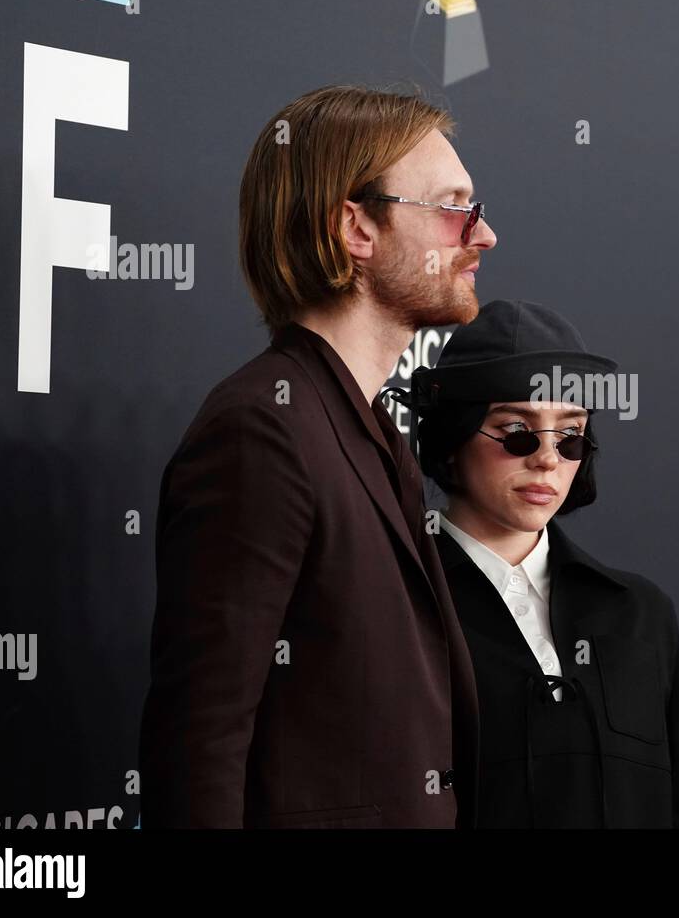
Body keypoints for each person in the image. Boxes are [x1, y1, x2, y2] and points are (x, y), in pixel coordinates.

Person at [138, 85, 496, 827]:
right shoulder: (261, 430)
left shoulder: (366, 431)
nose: (483, 236)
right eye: (454, 207)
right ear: (356, 228)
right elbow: (199, 743)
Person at [389, 299, 679, 827]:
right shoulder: (400, 607)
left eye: (570, 436)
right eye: (517, 432)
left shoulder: (639, 614)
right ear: (453, 438)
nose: (547, 458)